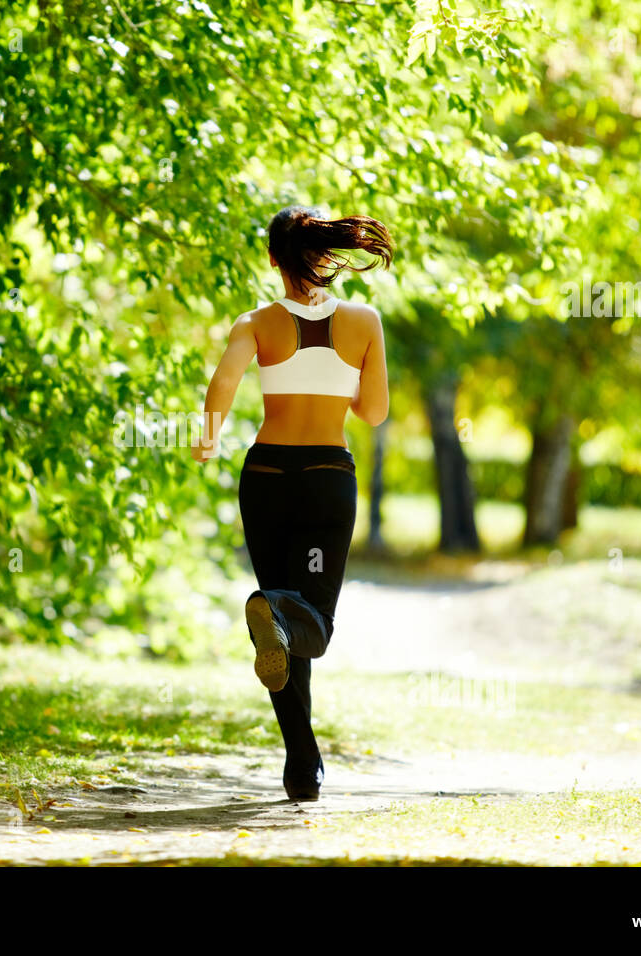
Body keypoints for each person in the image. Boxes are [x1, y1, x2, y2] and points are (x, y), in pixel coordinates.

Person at [192, 205, 393, 801]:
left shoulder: (256, 322)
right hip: (327, 477)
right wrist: (342, 382)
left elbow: (226, 382)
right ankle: (276, 610)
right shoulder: (365, 322)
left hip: (268, 477)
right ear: (325, 254)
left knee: (282, 630)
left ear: (273, 258)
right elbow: (375, 413)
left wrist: (206, 437)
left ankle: (301, 763)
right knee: (312, 624)